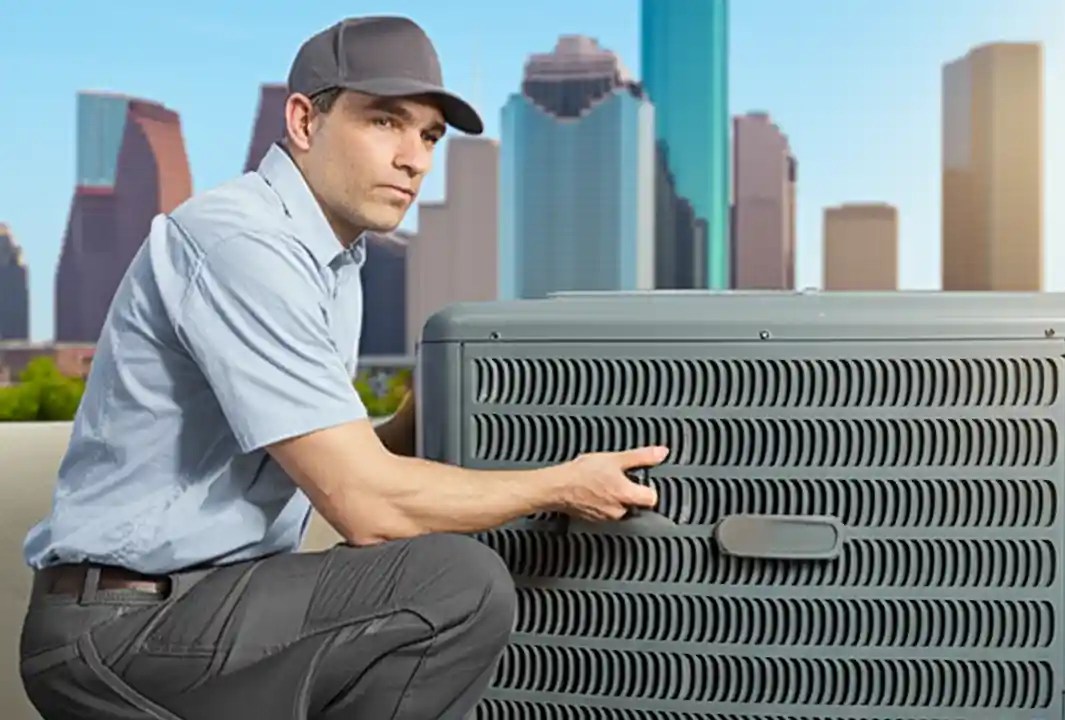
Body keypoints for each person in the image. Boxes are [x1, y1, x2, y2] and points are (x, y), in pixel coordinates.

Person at [17, 15, 667, 720]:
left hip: (206, 608)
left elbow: (322, 456)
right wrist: (564, 485)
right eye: (385, 121)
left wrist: (421, 414)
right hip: (124, 627)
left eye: (429, 136)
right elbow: (366, 508)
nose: (414, 158)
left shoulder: (331, 261)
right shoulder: (241, 244)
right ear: (303, 120)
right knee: (457, 580)